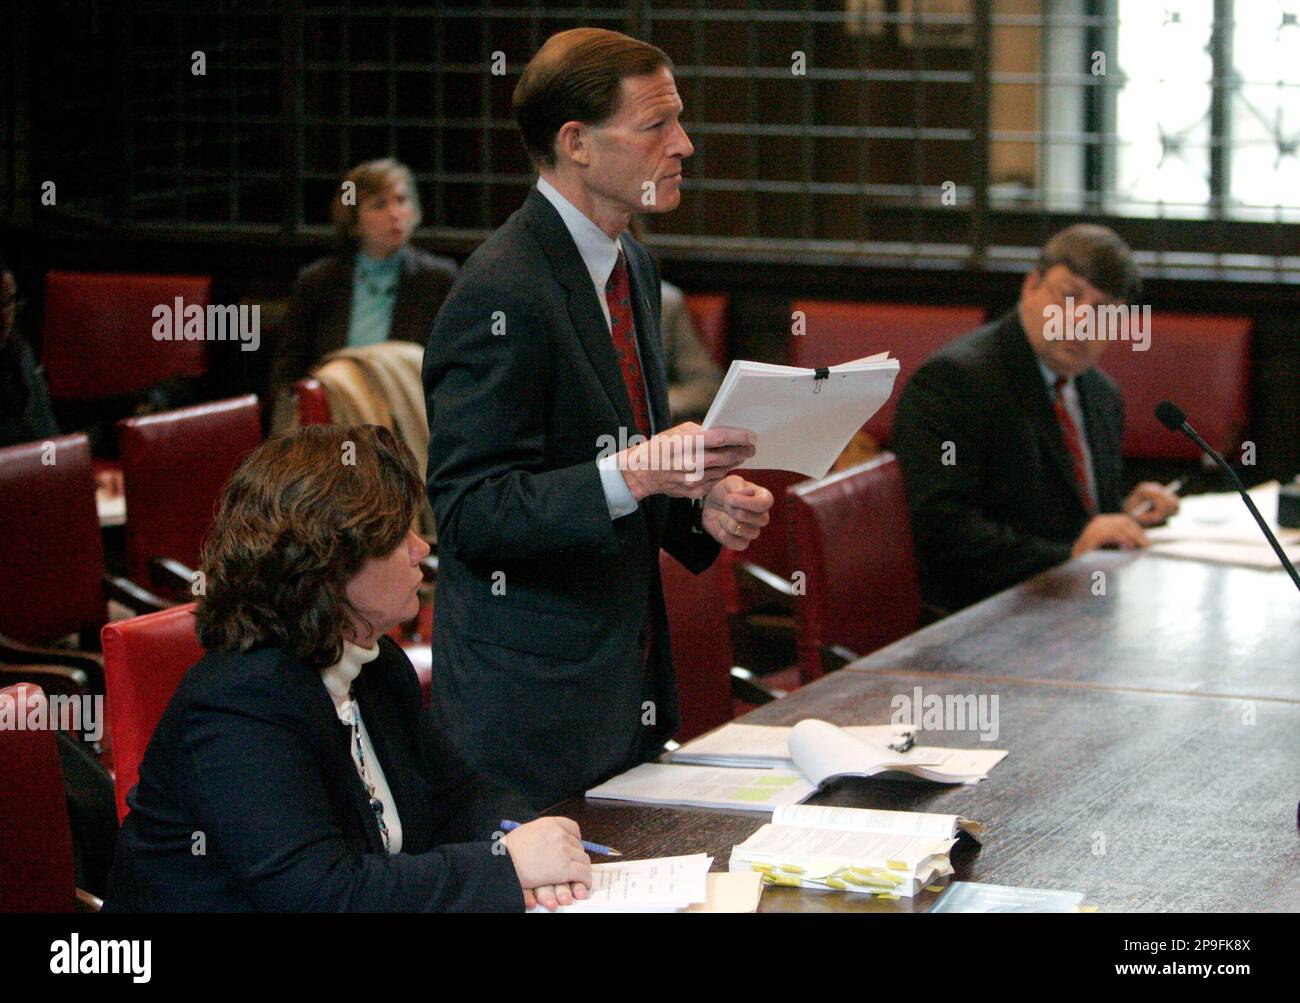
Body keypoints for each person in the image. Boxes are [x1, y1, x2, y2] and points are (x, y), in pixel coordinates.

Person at [422, 28, 775, 809]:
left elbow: (614, 464)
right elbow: (470, 513)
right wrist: (643, 470)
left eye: (679, 121)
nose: (684, 144)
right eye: (656, 126)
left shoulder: (631, 264)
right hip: (528, 713)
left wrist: (699, 503)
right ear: (576, 143)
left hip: (626, 683)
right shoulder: (501, 289)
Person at [106, 425, 592, 911]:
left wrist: (525, 835)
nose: (420, 547)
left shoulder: (375, 665)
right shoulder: (238, 706)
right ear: (328, 568)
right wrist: (504, 867)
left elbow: (459, 796)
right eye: (395, 536)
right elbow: (320, 895)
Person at [892, 224, 1180, 614]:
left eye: (1103, 311)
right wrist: (1069, 553)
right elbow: (941, 532)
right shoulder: (954, 382)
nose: (1081, 320)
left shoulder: (1100, 394)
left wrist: (1127, 515)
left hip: (1080, 610)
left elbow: (1071, 517)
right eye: (1069, 297)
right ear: (1030, 287)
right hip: (982, 620)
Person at [267, 159, 457, 429]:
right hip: (333, 414)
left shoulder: (438, 278)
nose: (395, 213)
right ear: (353, 221)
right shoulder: (319, 281)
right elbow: (287, 371)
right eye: (379, 205)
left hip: (406, 414)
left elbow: (453, 365)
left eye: (402, 200)